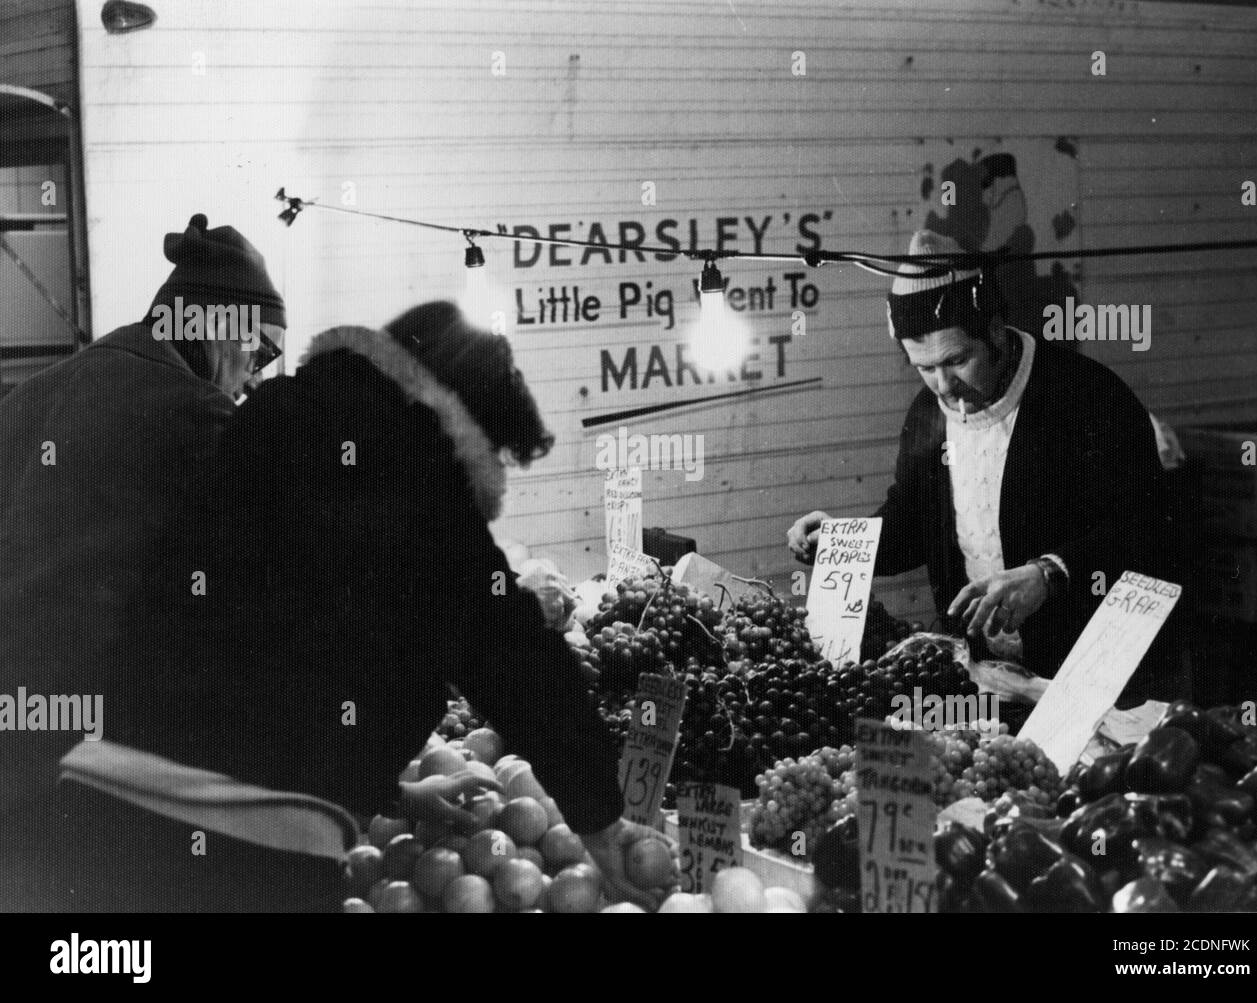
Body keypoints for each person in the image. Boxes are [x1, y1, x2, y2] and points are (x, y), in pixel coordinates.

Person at [67, 302, 671, 913]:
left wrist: (391, 792)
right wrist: (600, 820)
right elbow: (509, 651)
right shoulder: (414, 467)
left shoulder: (271, 419)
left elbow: (277, 661)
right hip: (240, 847)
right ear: (462, 424)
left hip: (100, 803)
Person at [0, 213, 286, 910]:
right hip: (84, 781)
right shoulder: (196, 418)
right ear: (222, 324)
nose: (257, 375)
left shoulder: (37, 393)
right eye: (264, 350)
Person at [788, 230, 1172, 686]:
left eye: (957, 360)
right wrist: (840, 542)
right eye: (925, 368)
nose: (943, 385)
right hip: (981, 677)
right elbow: (912, 524)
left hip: (1090, 669)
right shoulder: (926, 414)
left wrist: (1049, 574)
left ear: (994, 330)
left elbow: (1150, 528)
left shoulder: (1086, 396)